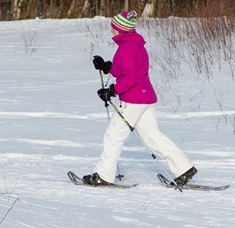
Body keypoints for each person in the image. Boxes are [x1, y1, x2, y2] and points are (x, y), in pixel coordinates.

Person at [83, 11, 197, 187]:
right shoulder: (136, 45)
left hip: (133, 100)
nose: (111, 30)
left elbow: (130, 78)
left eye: (113, 27)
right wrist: (108, 67)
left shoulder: (125, 49)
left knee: (113, 135)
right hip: (145, 97)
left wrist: (112, 91)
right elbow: (131, 70)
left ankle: (104, 176)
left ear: (120, 29)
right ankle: (184, 168)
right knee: (153, 137)